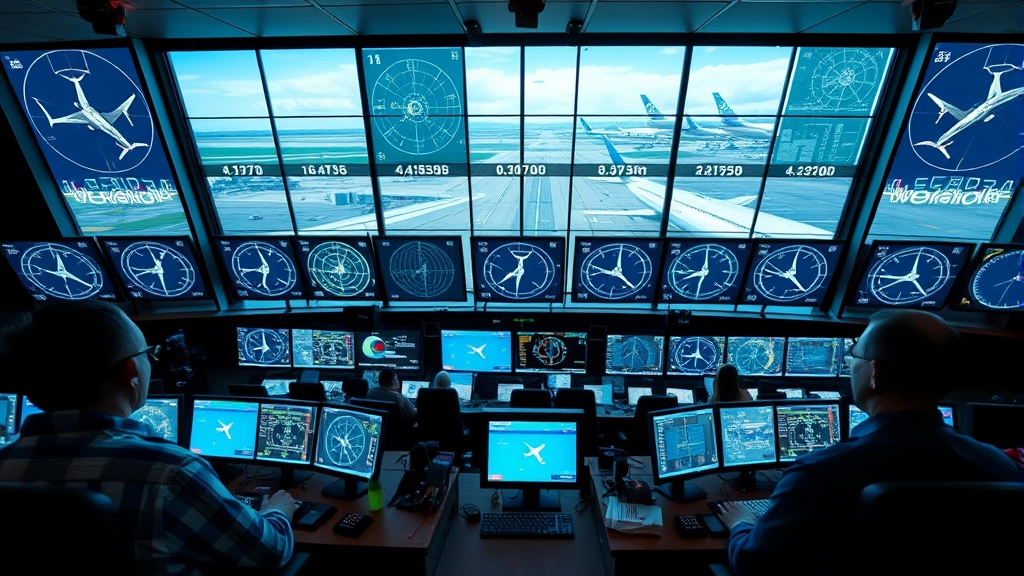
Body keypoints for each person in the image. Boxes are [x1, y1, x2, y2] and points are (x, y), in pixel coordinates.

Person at [0, 301, 296, 575]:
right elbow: (270, 552)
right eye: (148, 354)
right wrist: (276, 511)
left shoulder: (5, 463)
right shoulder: (170, 472)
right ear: (130, 371)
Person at [718, 310, 1019, 575]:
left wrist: (741, 523)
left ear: (875, 373)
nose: (850, 364)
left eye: (854, 355)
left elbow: (752, 563)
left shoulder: (819, 471)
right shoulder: (999, 467)